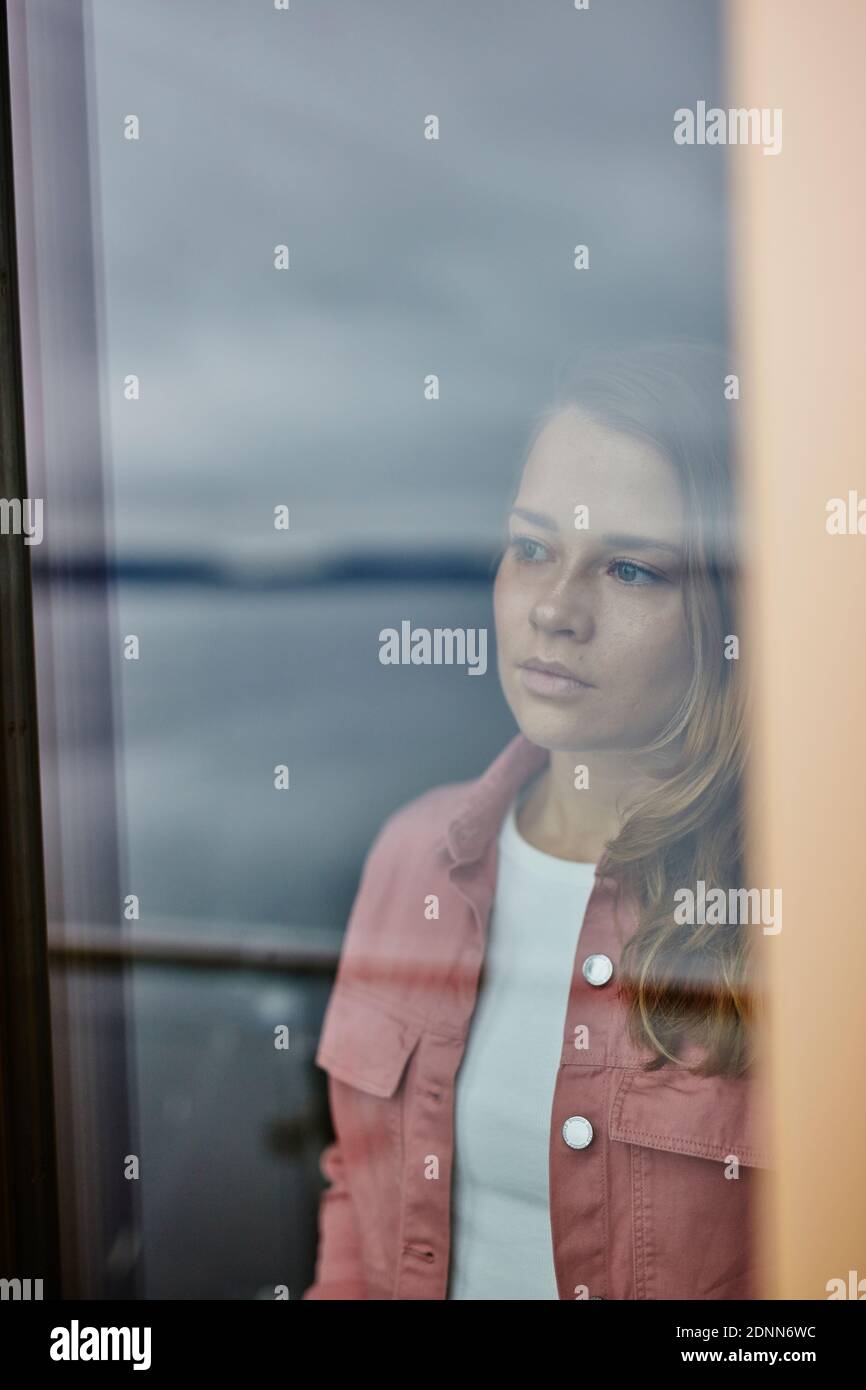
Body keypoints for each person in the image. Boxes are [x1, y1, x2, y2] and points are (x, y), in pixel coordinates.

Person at [302, 341, 772, 1301]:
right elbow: (357, 1189)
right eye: (532, 549)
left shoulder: (794, 899)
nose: (555, 609)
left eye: (631, 571)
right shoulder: (413, 861)